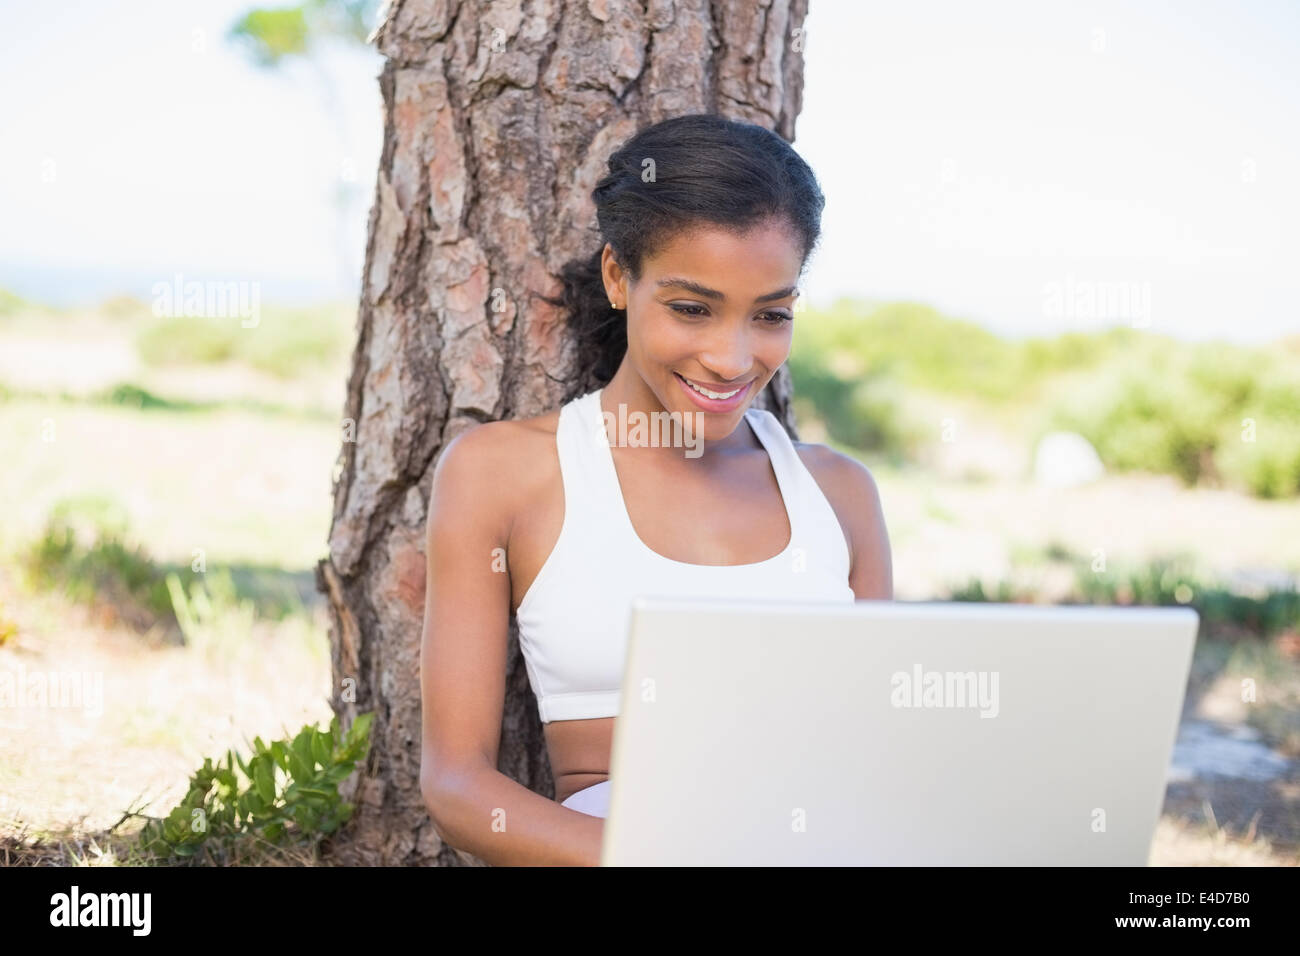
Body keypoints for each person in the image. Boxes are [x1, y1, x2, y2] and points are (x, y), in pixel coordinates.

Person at [419, 113, 892, 866]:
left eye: (771, 315)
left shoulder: (839, 496)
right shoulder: (504, 473)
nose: (733, 358)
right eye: (692, 309)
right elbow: (457, 784)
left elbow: (883, 760)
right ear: (618, 276)